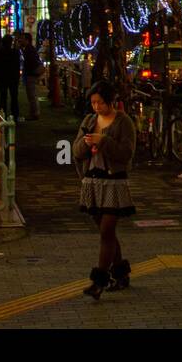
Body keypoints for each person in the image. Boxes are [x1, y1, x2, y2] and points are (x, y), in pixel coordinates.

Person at [74, 81, 137, 298]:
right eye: (93, 103)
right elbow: (76, 151)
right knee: (107, 233)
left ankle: (99, 281)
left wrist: (105, 141)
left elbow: (126, 153)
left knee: (106, 231)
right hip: (92, 181)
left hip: (114, 183)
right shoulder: (89, 121)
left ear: (111, 101)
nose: (97, 107)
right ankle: (121, 275)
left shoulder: (123, 122)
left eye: (100, 102)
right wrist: (86, 143)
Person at [0, 34, 22, 122]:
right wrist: (18, 76)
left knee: (3, 96)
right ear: (11, 42)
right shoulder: (15, 52)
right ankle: (15, 115)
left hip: (3, 77)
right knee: (14, 97)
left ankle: (3, 114)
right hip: (13, 77)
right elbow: (17, 65)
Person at [22, 32, 43, 121]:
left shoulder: (28, 50)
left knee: (32, 95)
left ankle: (34, 113)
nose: (20, 40)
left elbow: (30, 63)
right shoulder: (30, 49)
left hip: (31, 75)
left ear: (27, 40)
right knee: (32, 95)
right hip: (32, 74)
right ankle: (34, 113)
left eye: (22, 39)